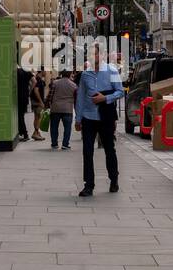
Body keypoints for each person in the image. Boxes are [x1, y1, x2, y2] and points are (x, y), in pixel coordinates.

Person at [74, 44, 124, 196]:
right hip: (89, 117)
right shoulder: (85, 75)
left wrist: (105, 98)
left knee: (109, 149)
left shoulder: (112, 71)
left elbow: (120, 91)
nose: (92, 57)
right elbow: (81, 97)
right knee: (87, 151)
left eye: (95, 54)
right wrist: (78, 119)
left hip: (105, 117)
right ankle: (88, 185)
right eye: (90, 55)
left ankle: (114, 179)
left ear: (102, 55)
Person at [47, 70, 76, 150]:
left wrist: (46, 105)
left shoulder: (55, 83)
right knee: (67, 128)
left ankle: (54, 144)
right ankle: (65, 144)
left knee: (54, 127)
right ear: (70, 74)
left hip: (55, 108)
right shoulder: (73, 85)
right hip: (67, 109)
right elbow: (76, 98)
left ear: (61, 74)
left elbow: (50, 95)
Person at [16, 67, 33, 143]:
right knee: (21, 115)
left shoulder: (17, 72)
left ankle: (25, 134)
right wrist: (29, 91)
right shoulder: (27, 72)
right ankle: (23, 133)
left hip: (19, 96)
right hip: (25, 96)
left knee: (20, 116)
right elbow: (34, 81)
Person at [29, 71, 47, 140]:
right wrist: (40, 101)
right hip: (37, 102)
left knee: (36, 117)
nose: (45, 73)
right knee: (39, 117)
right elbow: (36, 90)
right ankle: (35, 133)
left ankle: (37, 133)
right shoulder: (38, 80)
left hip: (35, 101)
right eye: (45, 71)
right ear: (42, 71)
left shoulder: (37, 79)